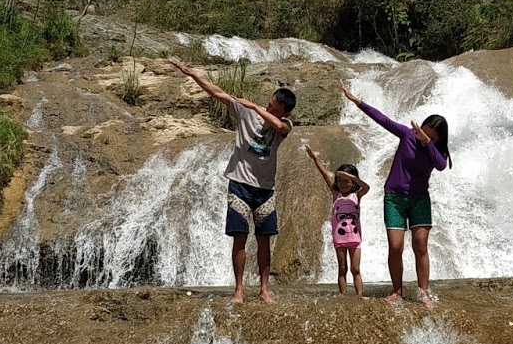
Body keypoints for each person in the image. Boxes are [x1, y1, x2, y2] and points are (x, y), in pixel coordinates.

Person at [169, 60, 295, 304]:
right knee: (239, 235)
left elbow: (279, 126)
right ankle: (239, 290)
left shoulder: (285, 124)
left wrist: (256, 108)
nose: (269, 107)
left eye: (275, 107)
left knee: (264, 240)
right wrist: (192, 73)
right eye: (269, 102)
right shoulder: (246, 112)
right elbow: (217, 92)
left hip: (265, 189)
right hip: (239, 184)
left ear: (285, 112)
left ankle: (264, 289)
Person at [339, 85, 450, 308]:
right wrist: (356, 101)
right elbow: (383, 119)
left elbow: (440, 165)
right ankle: (397, 291)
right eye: (422, 131)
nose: (421, 136)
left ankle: (423, 292)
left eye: (429, 136)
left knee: (420, 245)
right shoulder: (407, 135)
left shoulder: (436, 151)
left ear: (437, 139)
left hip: (419, 199)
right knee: (396, 246)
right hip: (394, 198)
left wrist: (427, 144)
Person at [304, 145, 369, 297]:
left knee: (356, 269)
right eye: (339, 180)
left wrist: (352, 178)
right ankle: (343, 295)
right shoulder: (336, 194)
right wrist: (314, 158)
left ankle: (360, 295)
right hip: (339, 239)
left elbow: (366, 187)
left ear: (353, 182)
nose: (342, 184)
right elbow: (324, 174)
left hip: (355, 239)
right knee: (342, 268)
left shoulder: (357, 196)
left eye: (346, 181)